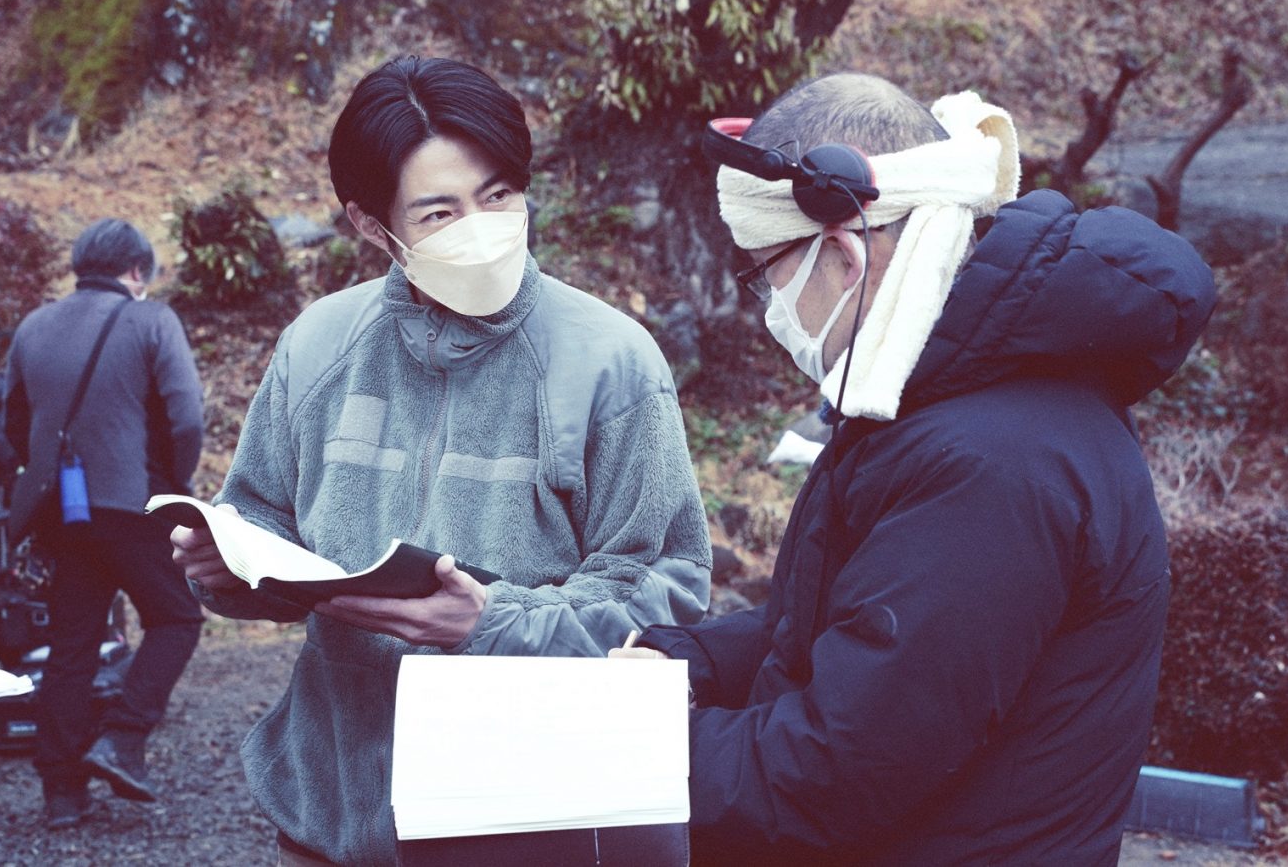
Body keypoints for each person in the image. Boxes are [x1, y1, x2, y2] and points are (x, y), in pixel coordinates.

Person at [616, 73, 1218, 865]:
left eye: (766, 272)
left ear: (843, 252)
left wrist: (619, 750)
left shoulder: (991, 464)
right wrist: (687, 663)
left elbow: (836, 772)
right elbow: (845, 623)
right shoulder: (943, 398)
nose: (769, 305)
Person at [170, 55, 712, 865]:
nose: (480, 227)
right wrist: (232, 566)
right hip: (332, 821)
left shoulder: (611, 361)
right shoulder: (319, 348)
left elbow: (668, 593)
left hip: (528, 825)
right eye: (439, 212)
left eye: (498, 196)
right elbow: (261, 517)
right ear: (371, 225)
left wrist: (490, 623)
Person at [4, 218, 205, 830]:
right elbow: (187, 419)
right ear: (137, 270)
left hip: (62, 513)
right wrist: (175, 487)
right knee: (177, 617)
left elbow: (14, 423)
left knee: (72, 646)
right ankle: (122, 737)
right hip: (134, 505)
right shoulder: (152, 321)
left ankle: (62, 792)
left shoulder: (33, 326)